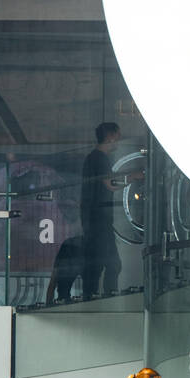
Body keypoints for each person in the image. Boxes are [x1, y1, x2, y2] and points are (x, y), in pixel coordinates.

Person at [80, 122, 125, 299]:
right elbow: (110, 184)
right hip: (99, 219)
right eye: (118, 137)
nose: (118, 142)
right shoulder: (100, 158)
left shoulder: (92, 158)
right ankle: (108, 296)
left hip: (92, 219)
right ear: (110, 136)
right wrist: (134, 177)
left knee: (96, 263)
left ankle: (90, 295)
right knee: (112, 263)